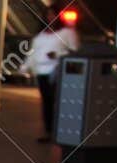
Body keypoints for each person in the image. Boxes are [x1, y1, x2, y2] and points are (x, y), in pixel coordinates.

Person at [27, 1, 79, 144]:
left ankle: (59, 132)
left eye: (53, 15)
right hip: (41, 71)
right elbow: (33, 53)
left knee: (56, 101)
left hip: (56, 71)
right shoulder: (41, 35)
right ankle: (49, 131)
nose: (50, 17)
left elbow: (74, 52)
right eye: (48, 15)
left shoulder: (67, 33)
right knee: (47, 102)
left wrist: (57, 55)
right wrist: (27, 67)